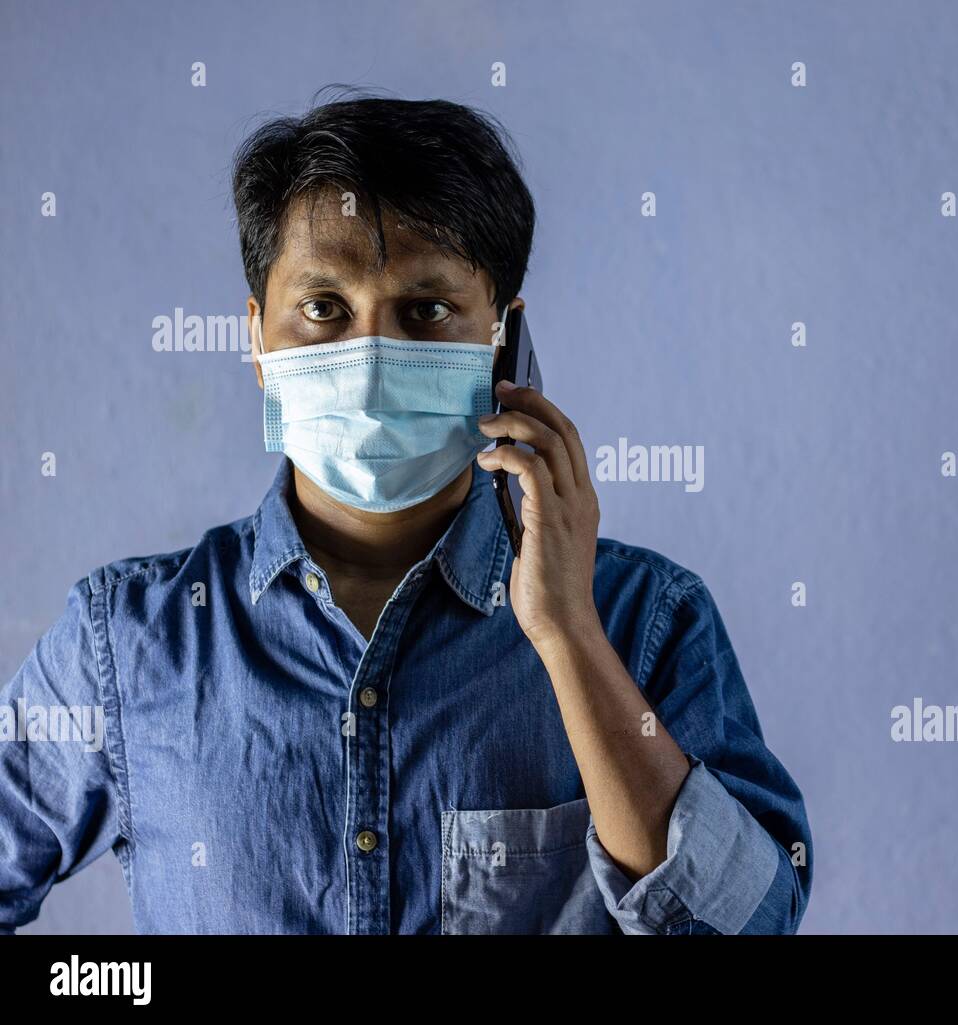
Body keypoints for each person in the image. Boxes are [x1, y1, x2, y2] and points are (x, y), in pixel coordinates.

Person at [0, 95, 811, 934]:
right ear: (257, 343)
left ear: (505, 341)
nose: (371, 360)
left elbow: (752, 924)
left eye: (425, 309)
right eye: (324, 309)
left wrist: (569, 633)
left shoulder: (648, 620)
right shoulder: (127, 641)